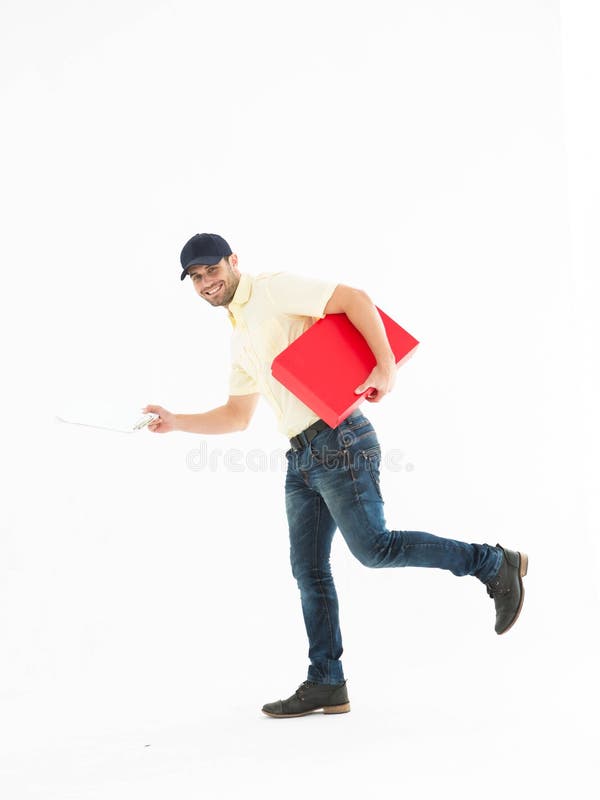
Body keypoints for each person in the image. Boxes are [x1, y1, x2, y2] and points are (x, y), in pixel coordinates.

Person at [144, 232, 528, 719]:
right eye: (196, 277)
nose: (206, 282)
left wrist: (385, 367)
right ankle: (327, 680)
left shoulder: (271, 289)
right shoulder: (240, 336)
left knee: (375, 548)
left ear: (233, 261)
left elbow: (354, 299)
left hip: (339, 439)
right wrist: (176, 421)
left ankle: (492, 563)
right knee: (309, 570)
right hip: (301, 458)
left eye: (212, 270)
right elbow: (237, 416)